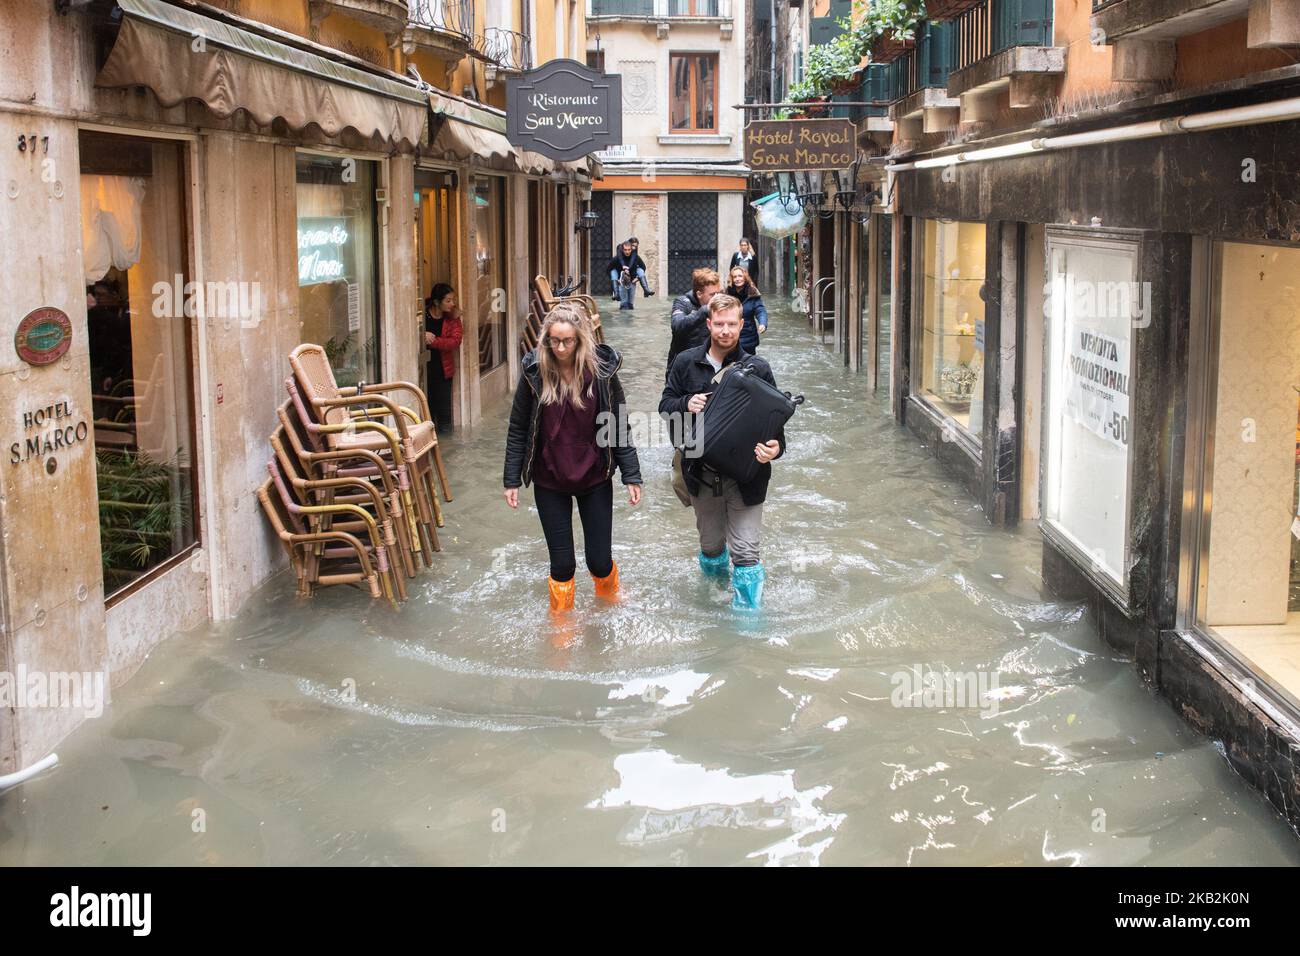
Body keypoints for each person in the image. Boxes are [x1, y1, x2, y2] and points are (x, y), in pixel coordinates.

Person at [503, 303, 643, 613]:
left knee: (598, 559)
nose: (562, 347)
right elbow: (518, 428)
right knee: (562, 564)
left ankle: (608, 604)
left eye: (568, 341)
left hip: (595, 477)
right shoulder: (534, 374)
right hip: (549, 480)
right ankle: (561, 623)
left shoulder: (602, 373)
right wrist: (511, 479)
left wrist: (631, 474)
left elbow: (618, 425)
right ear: (546, 340)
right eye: (555, 341)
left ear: (580, 339)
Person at [659, 294, 785, 609]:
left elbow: (776, 426)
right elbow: (664, 405)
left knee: (746, 553)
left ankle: (747, 624)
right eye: (719, 324)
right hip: (702, 474)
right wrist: (686, 403)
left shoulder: (758, 367)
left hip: (748, 475)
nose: (725, 330)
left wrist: (776, 449)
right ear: (708, 324)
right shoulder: (685, 362)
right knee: (712, 548)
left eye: (732, 324)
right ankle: (713, 600)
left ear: (742, 325)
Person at [666, 267, 722, 376]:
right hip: (682, 368)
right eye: (712, 295)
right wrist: (705, 310)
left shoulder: (719, 305)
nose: (717, 298)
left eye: (718, 293)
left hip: (709, 366)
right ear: (699, 294)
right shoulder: (682, 303)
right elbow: (677, 326)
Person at [423, 283, 463, 432]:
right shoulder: (422, 314)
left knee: (444, 412)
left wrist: (432, 341)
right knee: (427, 410)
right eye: (448, 300)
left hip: (443, 370)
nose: (452, 304)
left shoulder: (453, 318)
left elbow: (455, 342)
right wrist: (422, 336)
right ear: (436, 302)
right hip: (424, 370)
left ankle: (446, 448)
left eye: (453, 300)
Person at [728, 267, 768, 353]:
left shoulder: (752, 293)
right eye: (735, 277)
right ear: (732, 279)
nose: (737, 279)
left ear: (745, 277)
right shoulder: (726, 294)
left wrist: (763, 323)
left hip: (748, 337)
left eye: (740, 276)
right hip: (730, 336)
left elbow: (760, 310)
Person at [606, 239, 640, 311]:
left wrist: (638, 278)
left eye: (629, 250)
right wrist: (616, 280)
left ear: (631, 249)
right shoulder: (616, 259)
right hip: (621, 282)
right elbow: (608, 270)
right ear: (622, 250)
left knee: (630, 305)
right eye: (625, 250)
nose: (627, 251)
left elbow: (643, 267)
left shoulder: (636, 257)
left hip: (632, 282)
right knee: (624, 305)